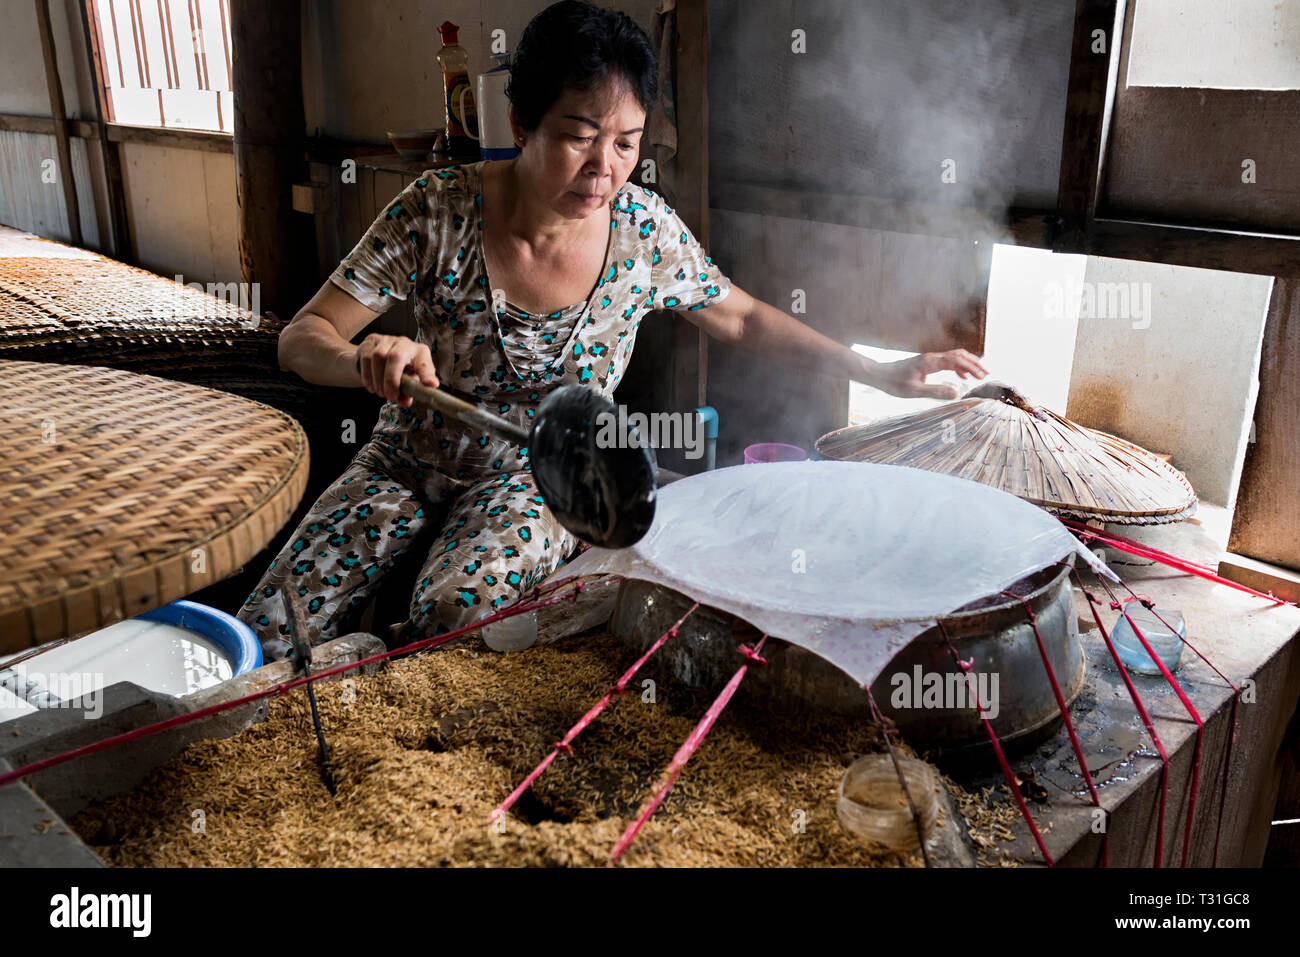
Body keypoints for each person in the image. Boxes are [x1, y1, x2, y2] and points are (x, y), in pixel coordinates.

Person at [238, 0, 987, 659]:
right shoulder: (438, 208)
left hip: (539, 478)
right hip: (406, 458)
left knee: (452, 616)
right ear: (522, 122)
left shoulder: (644, 234)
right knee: (268, 626)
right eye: (580, 135)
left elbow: (745, 315)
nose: (604, 168)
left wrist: (881, 371)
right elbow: (301, 338)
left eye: (626, 143)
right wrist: (366, 353)